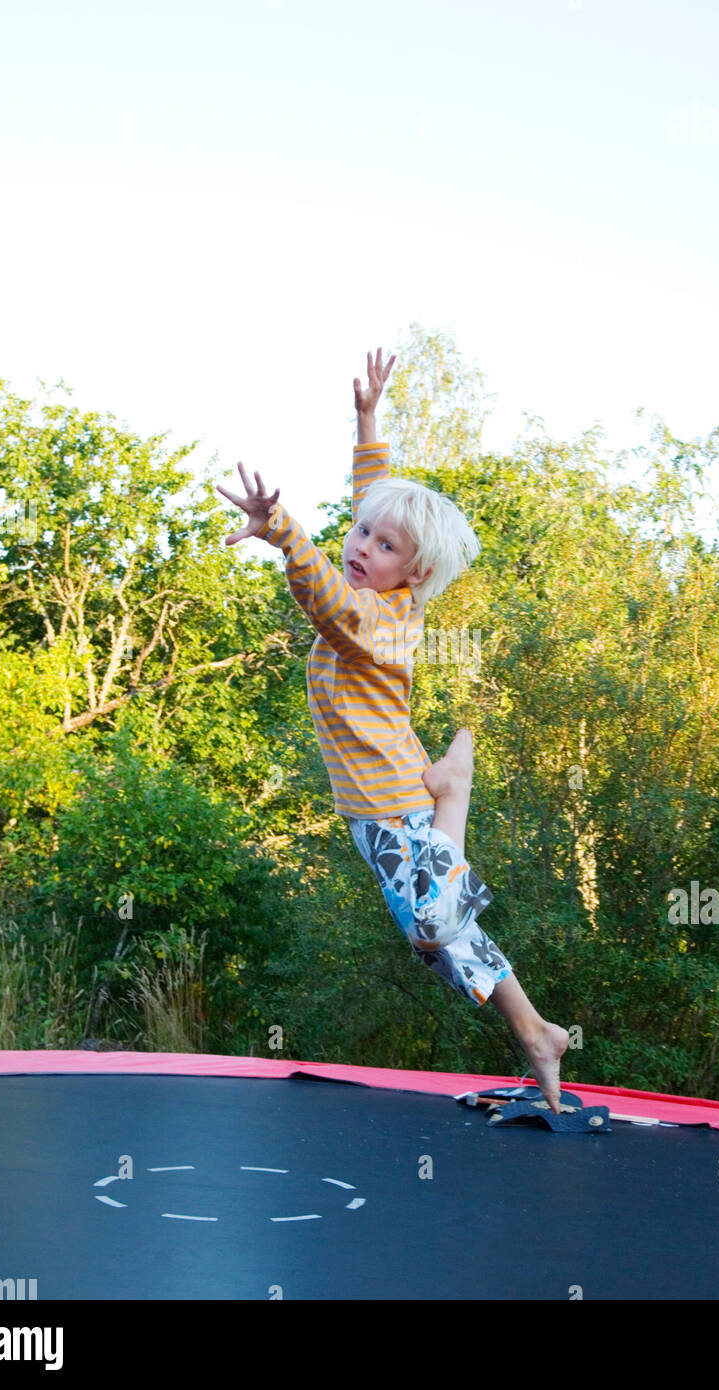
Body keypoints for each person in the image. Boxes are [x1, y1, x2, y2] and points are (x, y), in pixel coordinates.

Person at [217, 348, 568, 1111]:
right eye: (358, 534)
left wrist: (281, 529)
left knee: (437, 932)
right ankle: (537, 1033)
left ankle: (454, 800)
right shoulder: (385, 592)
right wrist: (367, 418)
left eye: (381, 547)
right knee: (438, 942)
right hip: (377, 809)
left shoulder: (373, 619)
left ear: (409, 572)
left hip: (388, 805)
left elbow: (327, 602)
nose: (359, 547)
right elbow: (372, 495)